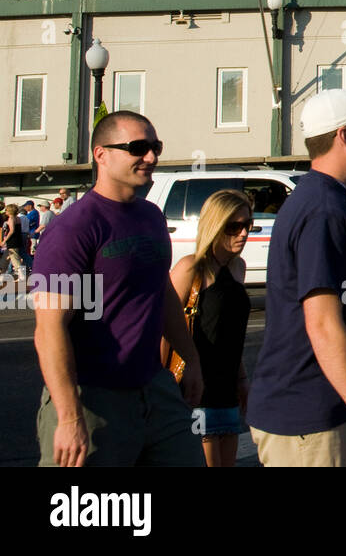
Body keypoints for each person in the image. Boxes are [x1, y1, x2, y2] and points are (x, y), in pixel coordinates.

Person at [32, 110, 203, 467]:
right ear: (101, 155)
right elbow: (49, 330)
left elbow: (163, 294)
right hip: (93, 398)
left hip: (155, 390)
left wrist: (191, 357)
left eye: (155, 146)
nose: (151, 157)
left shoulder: (152, 218)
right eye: (138, 148)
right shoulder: (73, 229)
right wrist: (69, 417)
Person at [246, 89, 346, 467]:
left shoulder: (325, 200)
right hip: (307, 417)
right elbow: (323, 324)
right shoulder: (323, 210)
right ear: (345, 136)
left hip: (314, 409)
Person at [168, 189, 253, 467]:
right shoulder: (190, 267)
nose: (243, 233)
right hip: (195, 391)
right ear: (215, 225)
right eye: (234, 226)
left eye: (247, 225)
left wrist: (242, 380)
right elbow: (164, 327)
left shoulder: (239, 268)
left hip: (227, 389)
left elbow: (231, 333)